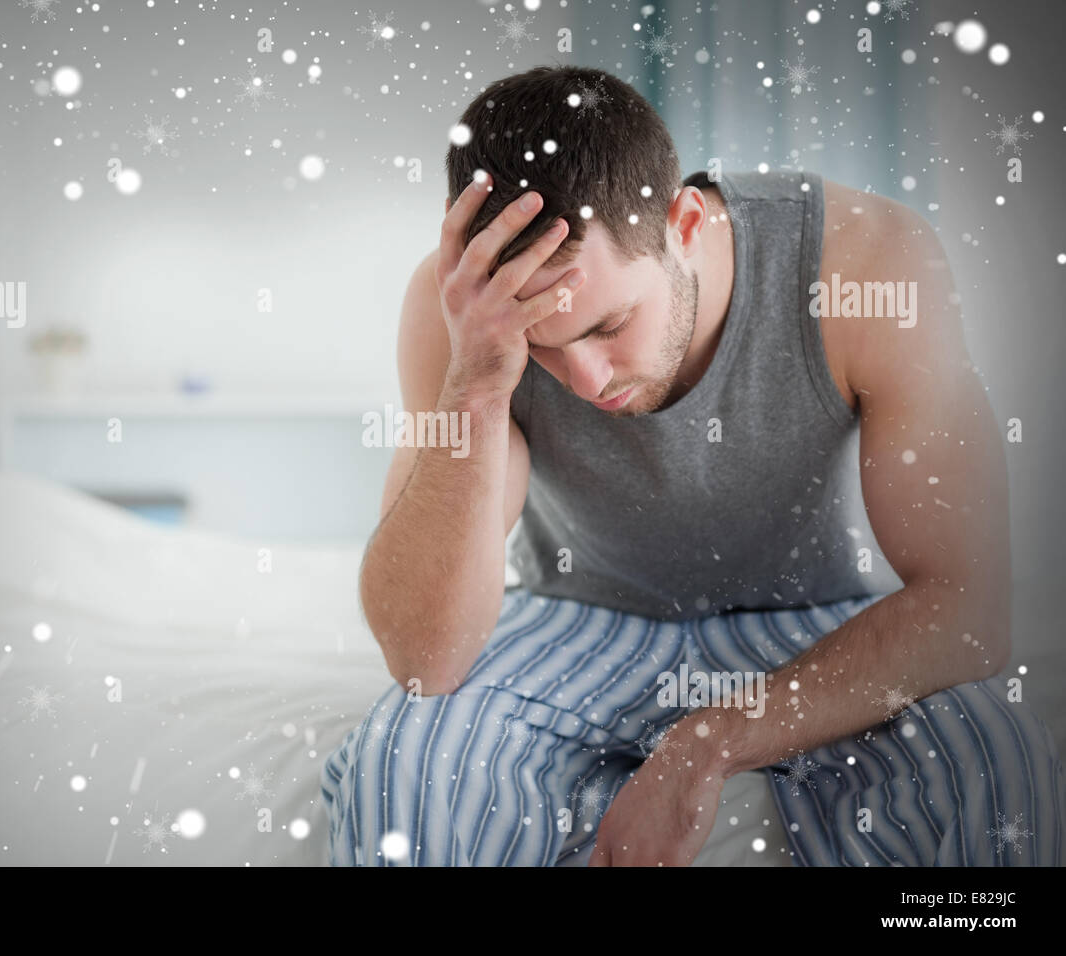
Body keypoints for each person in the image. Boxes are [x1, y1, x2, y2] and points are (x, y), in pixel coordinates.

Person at [321, 65, 1065, 866]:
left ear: (683, 222)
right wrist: (477, 378)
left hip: (821, 623)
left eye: (609, 324)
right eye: (542, 346)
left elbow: (965, 606)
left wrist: (704, 744)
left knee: (995, 761)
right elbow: (426, 658)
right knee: (403, 767)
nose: (586, 380)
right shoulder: (458, 313)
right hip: (580, 617)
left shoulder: (872, 261)